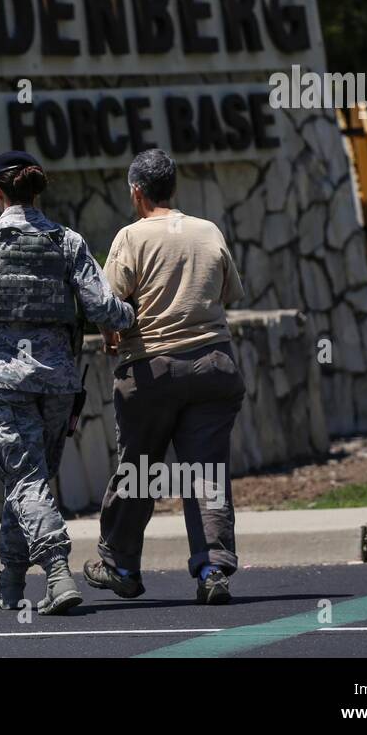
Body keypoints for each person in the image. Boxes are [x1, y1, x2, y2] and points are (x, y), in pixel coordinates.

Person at [0, 150, 136, 615]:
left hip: (5, 384)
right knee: (30, 483)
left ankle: (58, 573)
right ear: (36, 189)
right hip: (58, 387)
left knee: (25, 483)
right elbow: (104, 309)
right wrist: (138, 314)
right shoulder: (68, 242)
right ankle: (10, 581)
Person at [83, 149, 246, 605]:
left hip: (150, 372)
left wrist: (113, 337)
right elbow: (230, 291)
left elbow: (109, 305)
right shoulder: (207, 231)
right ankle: (213, 569)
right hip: (214, 366)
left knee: (138, 472)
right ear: (173, 189)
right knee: (208, 472)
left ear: (137, 191)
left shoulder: (130, 238)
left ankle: (121, 567)